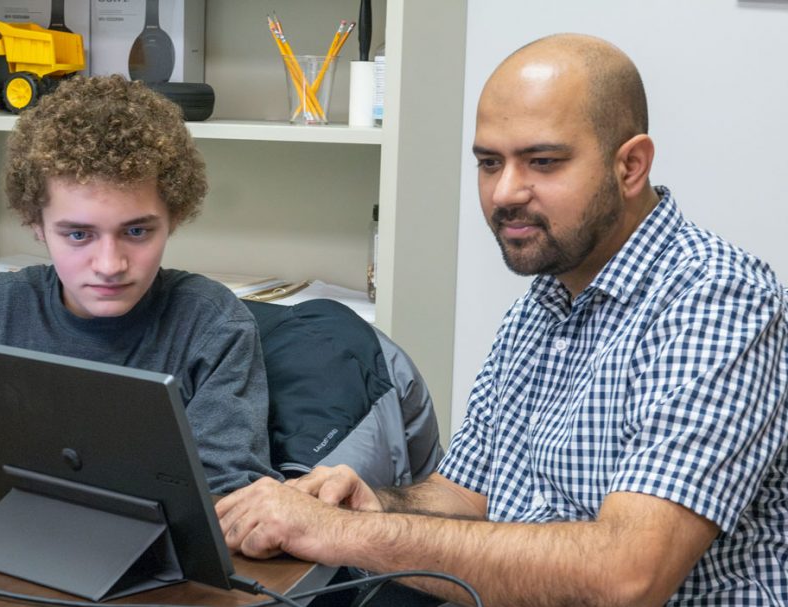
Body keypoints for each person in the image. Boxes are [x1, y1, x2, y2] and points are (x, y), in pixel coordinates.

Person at [217, 33, 788, 605]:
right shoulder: (542, 302)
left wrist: (340, 533)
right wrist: (367, 500)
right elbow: (467, 494)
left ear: (631, 165)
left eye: (542, 161)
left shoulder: (718, 298)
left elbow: (627, 577)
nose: (504, 192)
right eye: (490, 163)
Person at [0, 75, 279, 494]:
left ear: (174, 218)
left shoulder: (212, 326)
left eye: (136, 233)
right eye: (78, 235)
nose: (110, 265)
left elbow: (231, 493)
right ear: (36, 224)